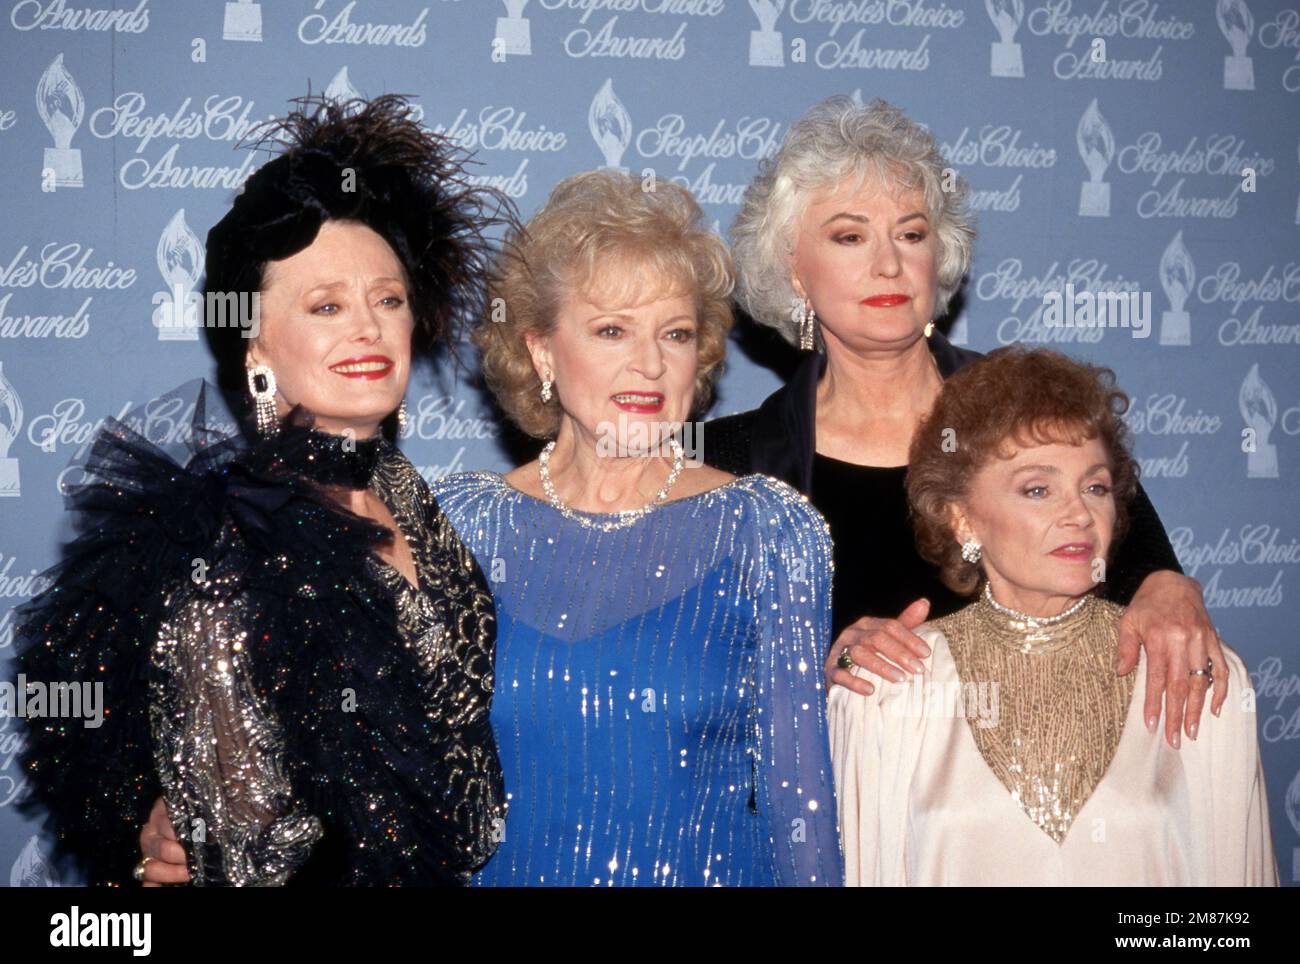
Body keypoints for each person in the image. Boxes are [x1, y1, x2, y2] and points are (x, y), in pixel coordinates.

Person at [16, 95, 511, 886]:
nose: (368, 328)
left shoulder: (409, 493)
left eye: (388, 299)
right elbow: (245, 847)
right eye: (325, 306)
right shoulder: (230, 543)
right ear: (255, 344)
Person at [700, 95, 1226, 750]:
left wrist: (1167, 586)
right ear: (792, 272)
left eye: (911, 233)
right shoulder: (727, 465)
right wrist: (816, 670)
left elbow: (1142, 567)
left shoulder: (1037, 413)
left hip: (1037, 795)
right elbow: (698, 692)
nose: (888, 263)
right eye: (850, 236)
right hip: (842, 818)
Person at [433, 169, 842, 885]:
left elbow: (798, 809)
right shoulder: (463, 528)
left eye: (675, 333)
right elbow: (411, 792)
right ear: (541, 351)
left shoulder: (766, 534)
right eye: (612, 329)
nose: (649, 363)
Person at [829, 346, 1277, 886]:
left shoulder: (1193, 671)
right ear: (962, 517)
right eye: (1037, 489)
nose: (1078, 514)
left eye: (1095, 487)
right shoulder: (891, 687)